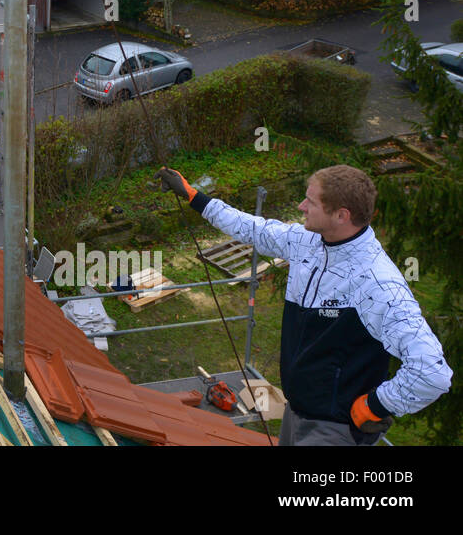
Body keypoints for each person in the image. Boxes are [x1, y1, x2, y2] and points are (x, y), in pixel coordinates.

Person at [158, 163, 452, 446]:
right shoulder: (307, 242)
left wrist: (377, 404)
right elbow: (253, 229)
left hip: (336, 430)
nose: (301, 206)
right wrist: (195, 197)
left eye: (310, 201)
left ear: (341, 215)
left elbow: (432, 371)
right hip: (297, 411)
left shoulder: (377, 284)